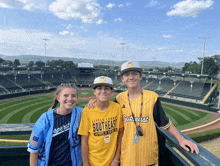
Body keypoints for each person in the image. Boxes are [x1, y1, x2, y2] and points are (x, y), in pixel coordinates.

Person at [87, 61, 199, 166]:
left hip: (148, 156)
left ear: (140, 77)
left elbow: (164, 122)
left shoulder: (152, 97)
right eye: (126, 74)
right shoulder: (119, 99)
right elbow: (106, 109)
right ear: (122, 79)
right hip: (127, 156)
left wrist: (181, 139)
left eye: (134, 73)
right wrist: (94, 101)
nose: (131, 77)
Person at [27, 83, 83, 166]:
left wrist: (93, 102)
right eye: (66, 95)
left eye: (73, 96)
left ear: (77, 98)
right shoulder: (45, 119)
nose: (70, 99)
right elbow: (33, 151)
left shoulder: (81, 113)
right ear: (58, 98)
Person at [78, 76, 124, 166]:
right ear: (94, 91)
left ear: (111, 92)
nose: (103, 91)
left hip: (112, 162)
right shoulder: (87, 111)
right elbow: (84, 140)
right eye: (99, 88)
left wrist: (116, 159)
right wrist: (86, 163)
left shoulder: (117, 108)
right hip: (93, 162)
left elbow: (120, 134)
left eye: (107, 88)